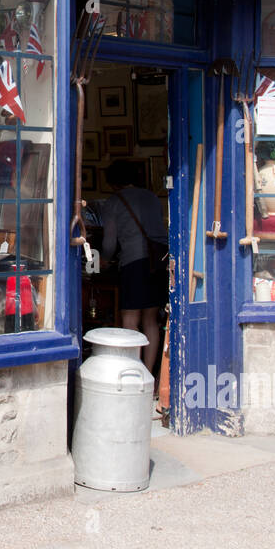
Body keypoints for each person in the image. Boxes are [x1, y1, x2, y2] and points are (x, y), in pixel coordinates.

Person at [97, 159, 169, 413]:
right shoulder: (150, 196)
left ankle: (133, 375)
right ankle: (148, 376)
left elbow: (109, 240)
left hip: (134, 262)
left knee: (129, 319)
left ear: (113, 181)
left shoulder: (114, 202)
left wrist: (104, 259)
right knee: (151, 319)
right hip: (158, 262)